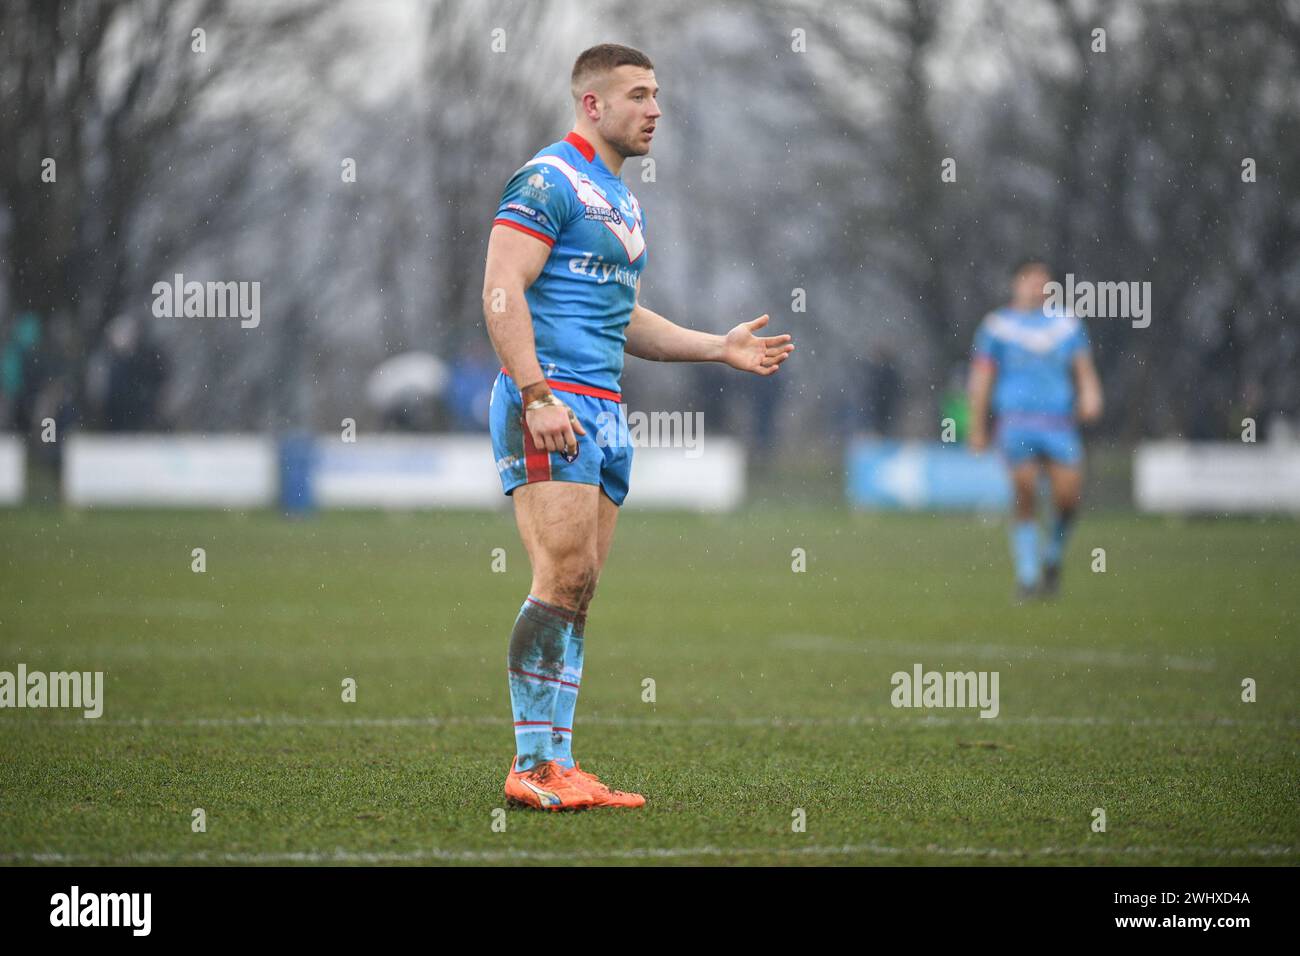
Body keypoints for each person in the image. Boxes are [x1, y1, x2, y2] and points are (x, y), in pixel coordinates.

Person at [482, 43, 794, 810]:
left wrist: (717, 347)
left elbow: (625, 322)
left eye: (657, 95)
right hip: (551, 401)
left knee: (581, 588)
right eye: (639, 95)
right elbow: (500, 289)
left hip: (605, 410)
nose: (655, 109)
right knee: (558, 577)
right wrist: (536, 394)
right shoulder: (549, 180)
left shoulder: (621, 201)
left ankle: (558, 762)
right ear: (593, 104)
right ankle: (529, 765)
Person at [967, 258, 1103, 600]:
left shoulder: (1066, 325)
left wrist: (1090, 393)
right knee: (1024, 492)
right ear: (1016, 283)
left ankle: (1052, 558)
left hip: (1058, 422)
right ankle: (1028, 576)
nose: (1037, 286)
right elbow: (982, 377)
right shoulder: (997, 327)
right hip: (1016, 422)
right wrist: (977, 425)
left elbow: (1082, 366)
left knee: (1068, 497)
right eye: (1030, 279)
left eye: (1043, 280)